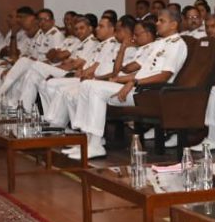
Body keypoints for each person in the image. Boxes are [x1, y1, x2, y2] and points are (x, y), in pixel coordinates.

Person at [70, 8, 188, 159]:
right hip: (137, 87)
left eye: (161, 21)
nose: (157, 23)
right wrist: (121, 79)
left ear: (173, 25)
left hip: (149, 92)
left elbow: (164, 76)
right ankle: (87, 140)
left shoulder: (177, 44)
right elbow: (144, 70)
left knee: (93, 88)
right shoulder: (160, 43)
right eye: (158, 20)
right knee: (87, 85)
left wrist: (133, 82)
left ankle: (95, 144)